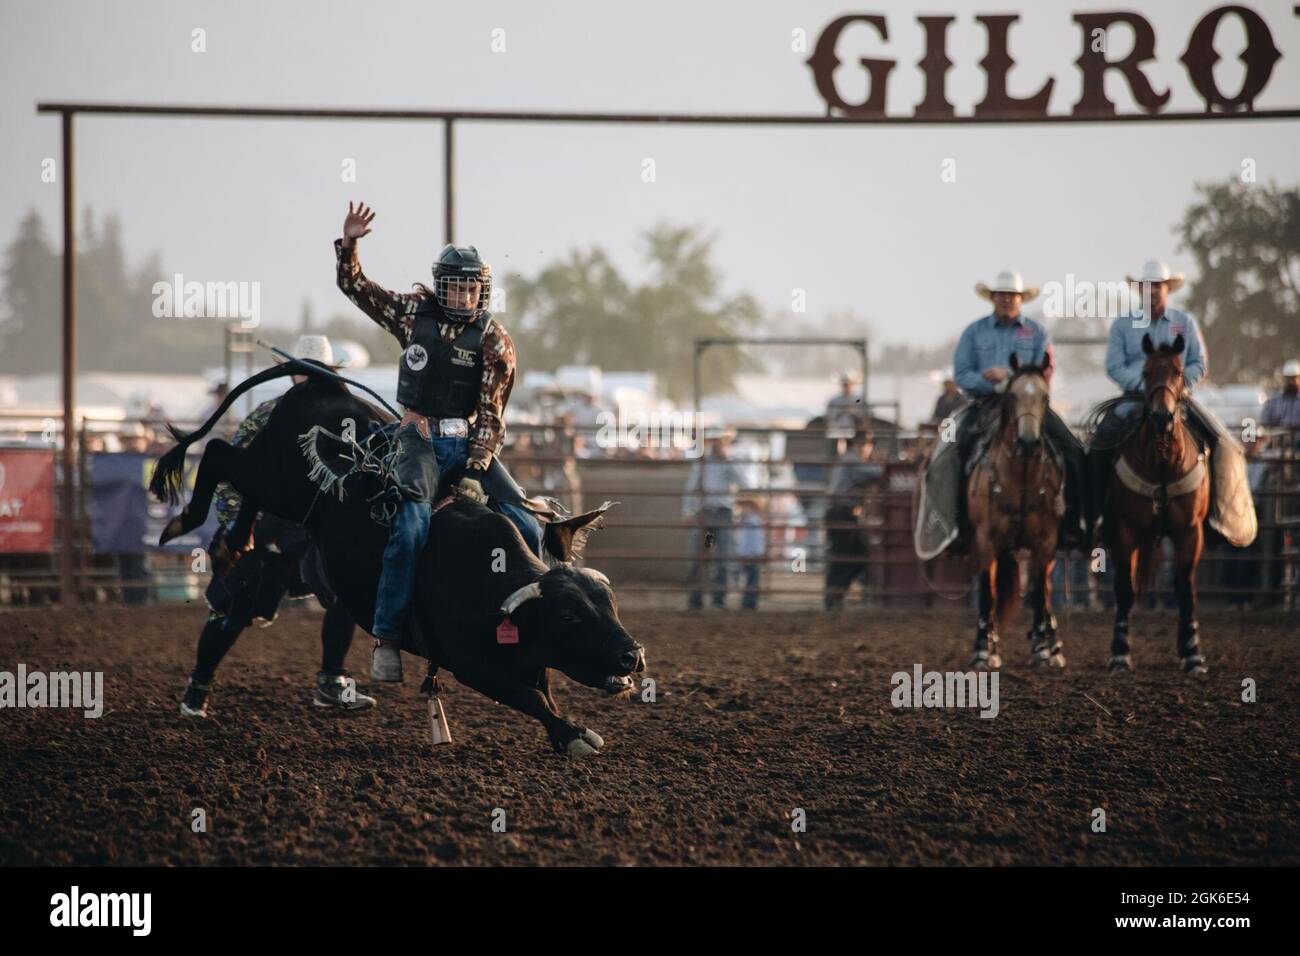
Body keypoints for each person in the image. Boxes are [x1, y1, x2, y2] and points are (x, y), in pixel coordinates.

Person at [336, 202, 542, 683]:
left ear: (482, 290)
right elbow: (358, 289)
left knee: (527, 525)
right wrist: (350, 246)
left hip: (467, 443)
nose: (463, 295)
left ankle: (528, 618)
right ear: (440, 285)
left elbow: (492, 412)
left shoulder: (495, 341)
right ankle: (387, 637)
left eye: (471, 287)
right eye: (454, 285)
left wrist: (474, 469)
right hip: (418, 437)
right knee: (409, 527)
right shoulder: (412, 315)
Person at [180, 335, 376, 718]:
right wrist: (240, 525)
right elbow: (236, 472)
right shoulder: (276, 415)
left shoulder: (333, 414)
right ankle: (198, 687)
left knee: (345, 594)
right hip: (269, 528)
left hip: (311, 530)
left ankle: (331, 682)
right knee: (234, 609)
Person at [915, 270, 1087, 559]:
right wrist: (991, 385)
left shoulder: (1037, 332)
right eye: (1002, 295)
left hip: (1028, 405)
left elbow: (1046, 371)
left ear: (1021, 299)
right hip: (984, 404)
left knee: (1073, 449)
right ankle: (956, 524)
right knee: (950, 452)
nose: (1007, 300)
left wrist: (1008, 379)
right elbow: (962, 374)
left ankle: (1074, 523)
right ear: (993, 298)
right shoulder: (974, 331)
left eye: (1012, 296)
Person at [1089, 260, 1255, 546]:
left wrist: (1173, 386)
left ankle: (1218, 516)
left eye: (1158, 286)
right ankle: (1096, 516)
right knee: (1100, 443)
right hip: (1134, 399)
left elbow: (1199, 364)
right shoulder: (1123, 324)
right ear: (1139, 290)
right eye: (1147, 287)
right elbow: (1114, 366)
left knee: (1223, 443)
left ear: (1167, 289)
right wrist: (1147, 386)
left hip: (1179, 397)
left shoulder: (1185, 322)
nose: (1152, 292)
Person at [683, 429, 748, 609]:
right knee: (699, 557)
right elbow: (691, 487)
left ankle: (718, 599)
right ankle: (696, 599)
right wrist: (688, 511)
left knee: (722, 558)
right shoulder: (701, 462)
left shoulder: (731, 462)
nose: (715, 444)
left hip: (723, 513)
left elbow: (745, 483)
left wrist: (727, 460)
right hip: (704, 513)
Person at [825, 432, 882, 610]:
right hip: (843, 513)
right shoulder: (852, 461)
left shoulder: (849, 459)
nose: (869, 449)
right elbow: (878, 473)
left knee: (847, 555)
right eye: (868, 444)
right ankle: (834, 596)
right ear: (861, 445)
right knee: (849, 556)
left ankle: (835, 595)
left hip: (842, 512)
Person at [1260, 359, 1300, 452]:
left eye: (1294, 378)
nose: (1291, 382)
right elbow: (1265, 420)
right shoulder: (1275, 400)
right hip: (1278, 444)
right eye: (1288, 379)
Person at [733, 497, 765, 611]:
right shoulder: (747, 522)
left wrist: (756, 553)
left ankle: (749, 603)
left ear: (752, 508)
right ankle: (748, 602)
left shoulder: (752, 522)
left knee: (751, 580)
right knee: (749, 579)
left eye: (745, 507)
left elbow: (755, 541)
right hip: (747, 555)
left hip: (751, 555)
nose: (742, 509)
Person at [825, 375, 866, 441]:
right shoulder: (834, 401)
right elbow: (829, 417)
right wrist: (841, 411)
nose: (847, 387)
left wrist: (852, 411)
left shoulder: (858, 399)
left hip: (855, 433)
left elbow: (863, 415)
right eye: (845, 385)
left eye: (850, 384)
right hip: (837, 433)